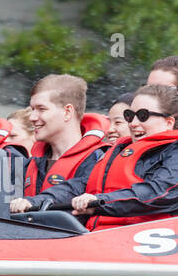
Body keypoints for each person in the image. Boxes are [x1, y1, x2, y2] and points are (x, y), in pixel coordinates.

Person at [16, 84, 178, 229]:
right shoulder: (117, 152)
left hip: (150, 244)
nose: (133, 123)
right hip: (100, 237)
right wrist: (36, 201)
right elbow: (79, 185)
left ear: (168, 122)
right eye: (130, 116)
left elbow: (159, 192)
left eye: (143, 116)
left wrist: (100, 201)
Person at [10, 74, 108, 207]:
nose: (32, 117)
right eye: (33, 109)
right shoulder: (28, 164)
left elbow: (73, 189)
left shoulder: (100, 161)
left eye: (41, 109)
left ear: (67, 112)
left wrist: (32, 202)